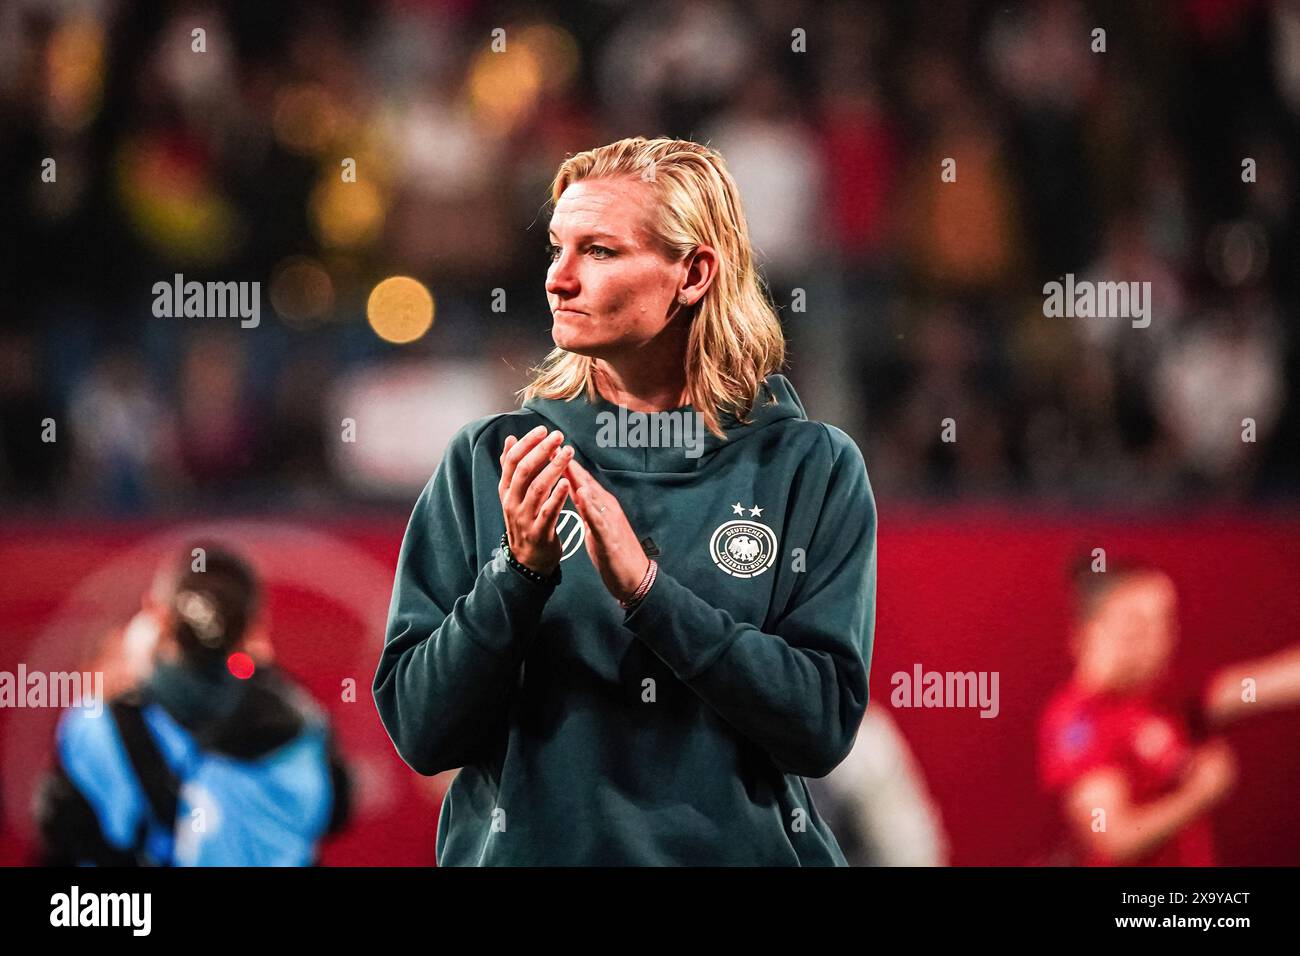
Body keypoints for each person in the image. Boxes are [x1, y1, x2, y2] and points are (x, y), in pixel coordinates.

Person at [373, 136, 878, 865]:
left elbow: (822, 725)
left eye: (600, 251)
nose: (558, 279)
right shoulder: (493, 461)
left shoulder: (808, 466)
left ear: (694, 273)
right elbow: (422, 734)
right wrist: (518, 575)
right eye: (556, 247)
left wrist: (648, 594)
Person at [35, 543, 351, 866]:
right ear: (254, 629)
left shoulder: (96, 727)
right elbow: (333, 815)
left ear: (156, 616)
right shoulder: (306, 730)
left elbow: (64, 840)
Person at [1038, 559, 1300, 865]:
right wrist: (1199, 794)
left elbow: (1262, 684)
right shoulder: (1079, 720)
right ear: (1094, 630)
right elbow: (1114, 839)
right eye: (1139, 624)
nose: (1161, 639)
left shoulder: (1167, 702)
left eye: (1166, 621)